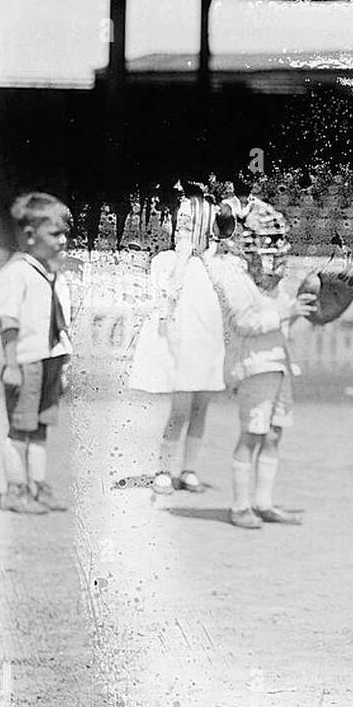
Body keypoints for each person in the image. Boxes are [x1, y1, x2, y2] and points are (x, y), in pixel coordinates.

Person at [206, 199, 316, 530]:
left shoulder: (268, 277)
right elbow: (244, 323)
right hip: (253, 365)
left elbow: (284, 320)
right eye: (265, 238)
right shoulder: (230, 274)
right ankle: (240, 505)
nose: (272, 246)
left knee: (273, 434)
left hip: (278, 363)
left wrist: (307, 308)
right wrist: (288, 311)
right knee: (252, 435)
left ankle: (264, 502)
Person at [128, 183, 227, 494]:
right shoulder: (165, 262)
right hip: (182, 346)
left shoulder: (215, 264)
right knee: (180, 410)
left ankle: (189, 470)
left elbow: (225, 298)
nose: (186, 229)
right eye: (181, 222)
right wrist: (183, 258)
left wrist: (207, 255)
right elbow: (165, 300)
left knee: (201, 408)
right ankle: (163, 469)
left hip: (209, 344)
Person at [0, 192, 75, 514]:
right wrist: (11, 364)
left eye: (64, 233)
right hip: (26, 361)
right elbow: (8, 321)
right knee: (20, 429)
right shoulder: (15, 272)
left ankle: (38, 487)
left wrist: (63, 363)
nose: (63, 240)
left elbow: (56, 319)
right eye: (55, 234)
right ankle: (14, 491)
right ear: (29, 236)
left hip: (50, 357)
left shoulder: (49, 271)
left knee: (40, 427)